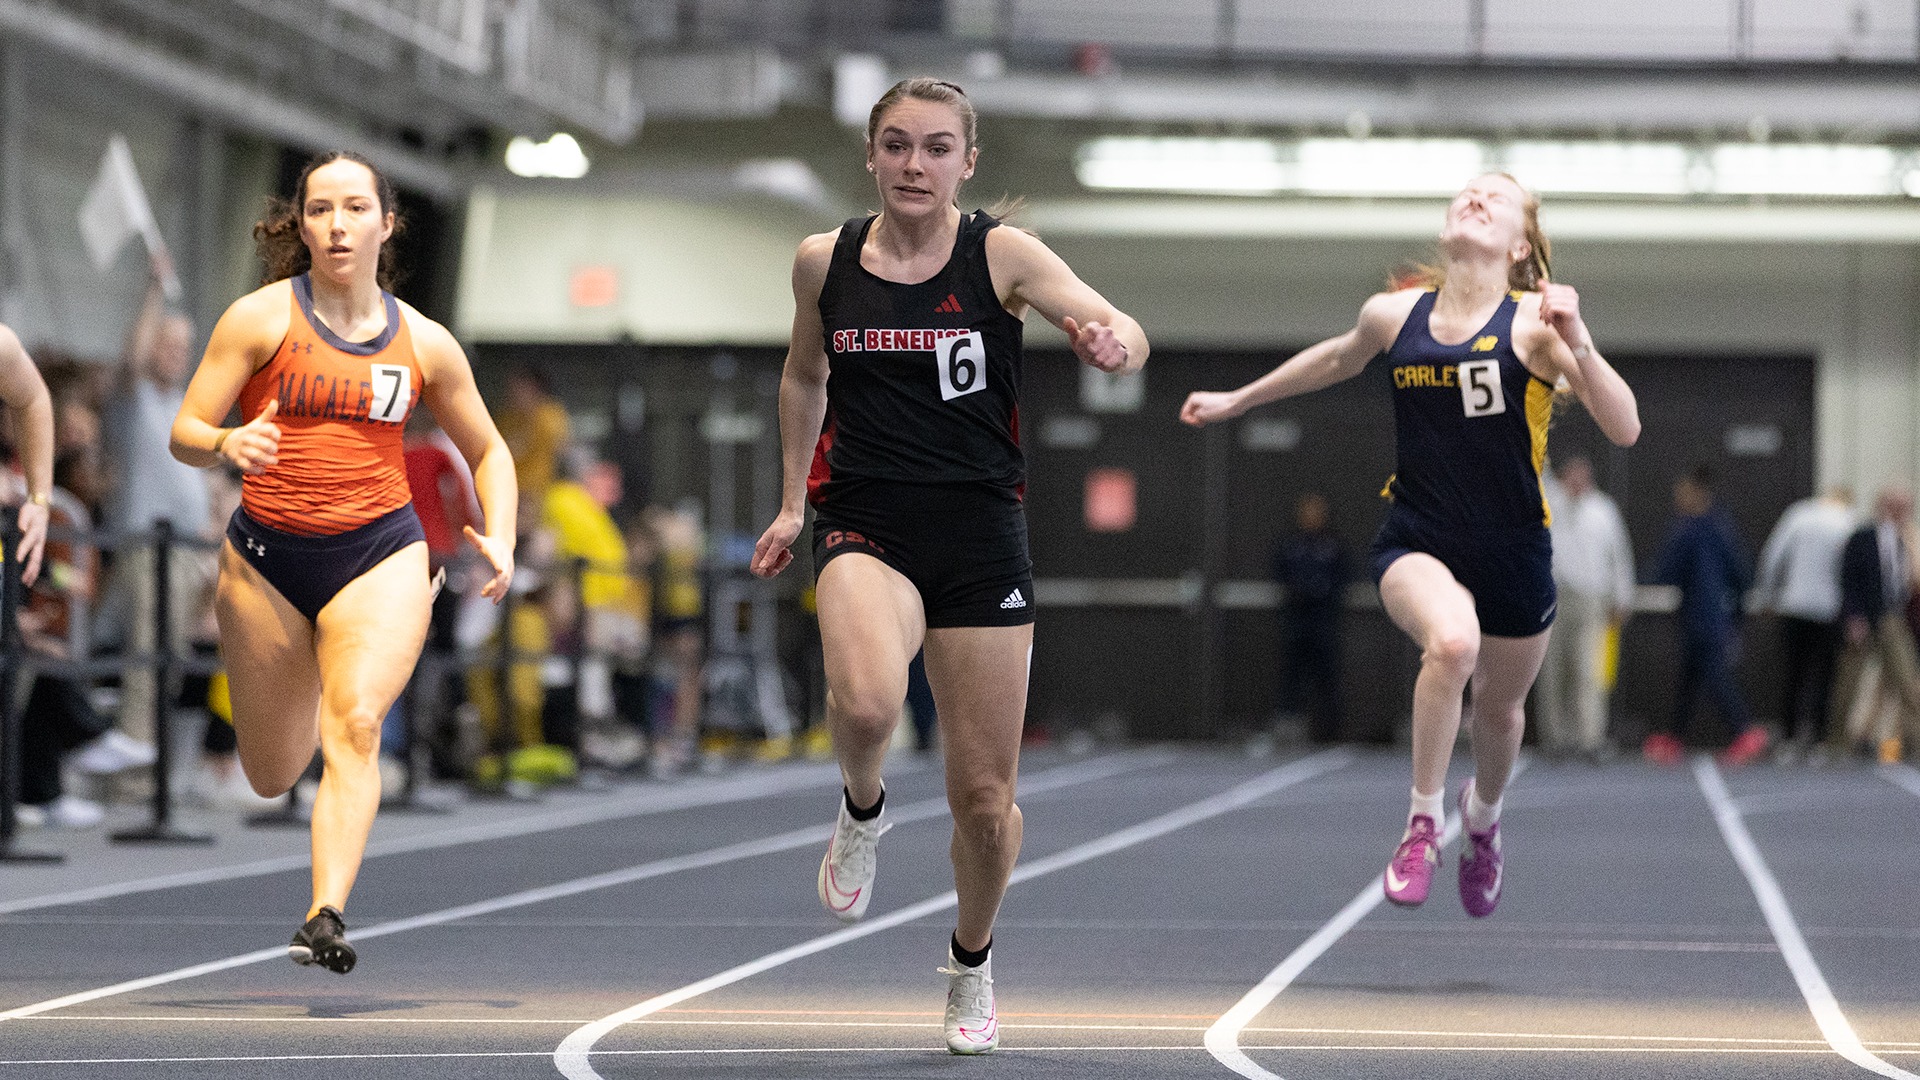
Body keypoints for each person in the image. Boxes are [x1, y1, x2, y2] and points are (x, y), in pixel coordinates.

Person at [750, 77, 1147, 1054]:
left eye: (935, 148)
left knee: (985, 803)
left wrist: (1109, 342)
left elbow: (1122, 327)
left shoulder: (998, 254)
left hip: (979, 539)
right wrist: (796, 500)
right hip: (864, 523)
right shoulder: (823, 263)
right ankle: (862, 806)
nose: (913, 165)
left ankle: (971, 963)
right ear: (872, 157)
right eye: (895, 146)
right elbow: (804, 374)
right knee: (870, 706)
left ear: (967, 161)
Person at [1181, 173, 1639, 918]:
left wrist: (1580, 339)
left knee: (1500, 712)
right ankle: (1423, 824)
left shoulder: (1535, 328)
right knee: (1452, 645)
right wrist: (1238, 399)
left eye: (1497, 197)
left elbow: (1624, 428)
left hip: (1516, 552)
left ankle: (1483, 819)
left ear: (1520, 244)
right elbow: (1332, 359)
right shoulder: (1394, 316)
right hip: (1417, 538)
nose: (1476, 198)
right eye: (1468, 191)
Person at [169, 151, 515, 974]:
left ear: (384, 224)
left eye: (355, 208)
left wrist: (498, 532)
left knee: (357, 725)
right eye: (320, 210)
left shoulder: (423, 341)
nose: (337, 225)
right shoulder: (257, 320)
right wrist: (226, 440)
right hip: (266, 560)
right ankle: (311, 669)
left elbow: (490, 448)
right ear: (303, 225)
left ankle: (325, 912)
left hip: (380, 552)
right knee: (271, 770)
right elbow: (184, 428)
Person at [100, 270, 213, 774]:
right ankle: (132, 776)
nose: (177, 355)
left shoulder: (183, 404)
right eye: (168, 345)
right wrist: (153, 288)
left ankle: (151, 771)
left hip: (188, 551)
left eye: (183, 347)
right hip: (150, 548)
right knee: (146, 661)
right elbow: (131, 356)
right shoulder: (135, 398)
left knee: (167, 665)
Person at [1646, 466, 1767, 767]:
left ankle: (1745, 730)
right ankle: (1674, 738)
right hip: (1714, 616)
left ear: (1696, 494)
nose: (1678, 498)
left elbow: (1666, 570)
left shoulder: (1690, 531)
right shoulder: (1722, 528)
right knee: (1690, 678)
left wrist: (1641, 581)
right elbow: (1741, 573)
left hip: (1701, 618)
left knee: (1714, 676)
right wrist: (1736, 612)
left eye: (1682, 492)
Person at [1538, 455, 1635, 761]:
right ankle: (1556, 738)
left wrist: (1622, 597)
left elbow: (1618, 554)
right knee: (1552, 672)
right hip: (1552, 598)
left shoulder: (1603, 510)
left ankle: (1590, 737)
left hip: (1592, 601)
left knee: (1588, 670)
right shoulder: (1550, 503)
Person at [1754, 486, 1856, 761]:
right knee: (1824, 677)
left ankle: (1788, 737)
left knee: (1793, 675)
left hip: (1795, 606)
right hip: (1829, 610)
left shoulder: (1798, 515)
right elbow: (1851, 570)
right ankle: (1819, 740)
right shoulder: (1847, 521)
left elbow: (1773, 555)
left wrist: (1766, 595)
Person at [1828, 486, 1920, 761]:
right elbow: (1848, 579)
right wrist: (1853, 616)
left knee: (1906, 679)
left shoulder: (1907, 538)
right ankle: (1836, 742)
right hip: (1864, 617)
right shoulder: (1863, 537)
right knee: (1849, 682)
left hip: (1893, 617)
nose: (1902, 512)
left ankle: (1914, 740)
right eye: (1897, 505)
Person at [1270, 492, 1349, 744]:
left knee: (1327, 678)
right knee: (1291, 677)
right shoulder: (1290, 545)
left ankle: (1330, 733)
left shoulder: (1333, 546)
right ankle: (1288, 730)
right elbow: (1279, 574)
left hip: (1324, 621)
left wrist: (1322, 591)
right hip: (1296, 621)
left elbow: (1344, 577)